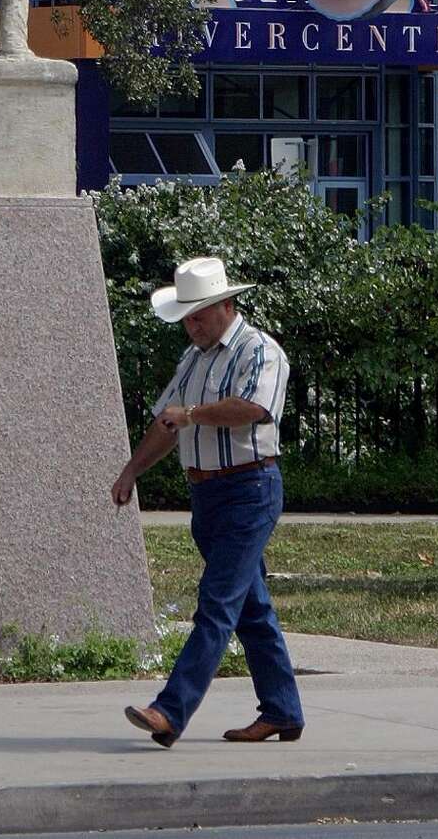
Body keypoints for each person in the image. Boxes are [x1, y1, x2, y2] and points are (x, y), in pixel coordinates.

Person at [113, 256, 304, 748]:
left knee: (217, 604)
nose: (192, 326)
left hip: (250, 490)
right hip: (208, 495)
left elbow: (253, 408)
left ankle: (169, 711)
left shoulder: (259, 351)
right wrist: (132, 470)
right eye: (186, 318)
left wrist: (192, 414)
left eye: (198, 316)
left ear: (226, 306)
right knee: (250, 609)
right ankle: (282, 711)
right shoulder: (193, 360)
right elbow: (166, 424)